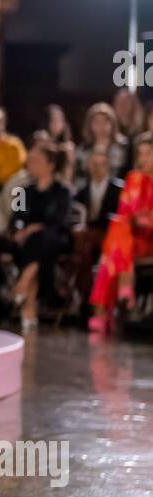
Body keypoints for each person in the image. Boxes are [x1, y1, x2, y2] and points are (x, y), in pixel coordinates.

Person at [0, 141, 73, 331]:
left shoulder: (62, 191)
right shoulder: (23, 190)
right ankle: (26, 293)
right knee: (7, 244)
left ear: (50, 165)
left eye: (37, 161)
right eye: (30, 161)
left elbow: (58, 221)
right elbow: (17, 218)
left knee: (42, 239)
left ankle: (23, 287)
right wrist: (21, 229)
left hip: (53, 238)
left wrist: (33, 228)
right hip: (29, 242)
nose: (31, 164)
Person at [89, 134, 153, 332]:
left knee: (114, 243)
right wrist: (138, 219)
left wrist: (146, 220)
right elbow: (125, 212)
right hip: (130, 240)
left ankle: (101, 311)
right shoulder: (133, 178)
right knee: (119, 227)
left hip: (149, 240)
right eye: (139, 153)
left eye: (148, 153)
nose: (142, 158)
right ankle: (126, 280)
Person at [73, 148, 124, 304]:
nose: (97, 167)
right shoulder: (81, 192)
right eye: (94, 163)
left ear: (108, 165)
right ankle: (88, 294)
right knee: (84, 246)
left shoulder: (119, 189)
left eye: (101, 164)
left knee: (84, 244)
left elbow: (121, 216)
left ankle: (86, 296)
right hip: (87, 237)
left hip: (109, 235)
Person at [77, 102, 129, 179]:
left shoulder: (124, 147)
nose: (101, 126)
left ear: (113, 123)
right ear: (89, 125)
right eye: (97, 122)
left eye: (105, 121)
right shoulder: (83, 149)